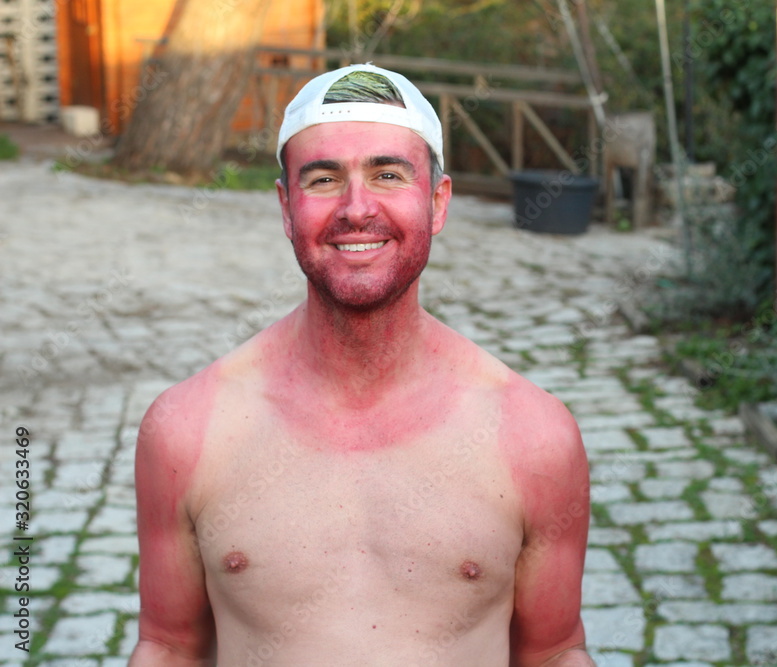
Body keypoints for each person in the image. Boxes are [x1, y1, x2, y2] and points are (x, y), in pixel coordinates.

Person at [130, 63, 594, 666]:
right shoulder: (186, 430)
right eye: (324, 179)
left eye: (388, 174)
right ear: (286, 207)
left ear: (438, 202)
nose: (356, 208)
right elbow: (169, 647)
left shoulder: (536, 438)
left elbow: (554, 653)